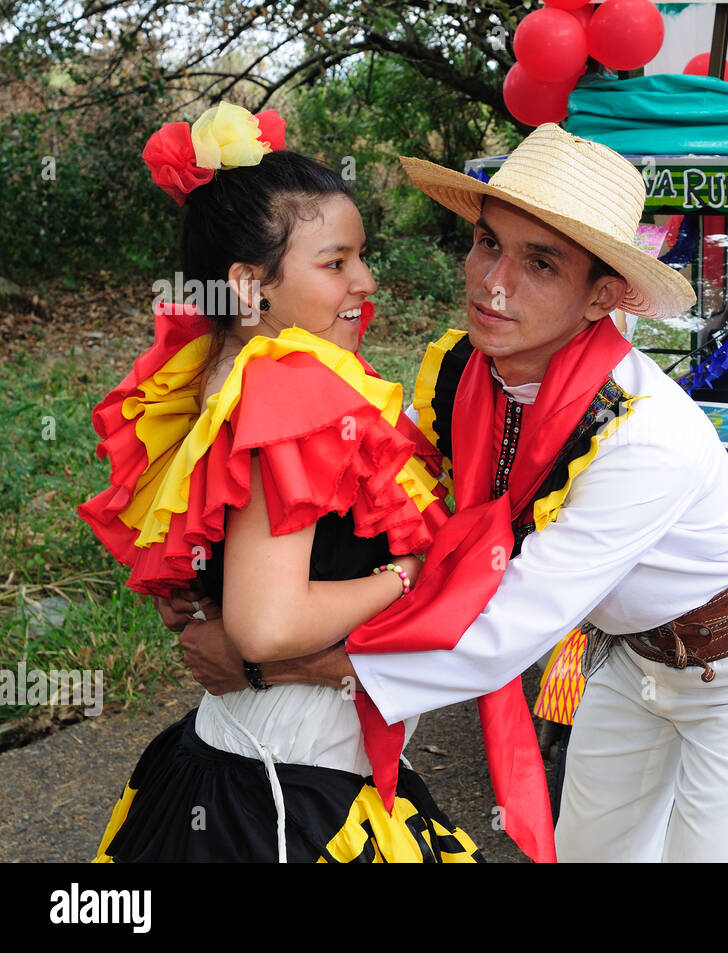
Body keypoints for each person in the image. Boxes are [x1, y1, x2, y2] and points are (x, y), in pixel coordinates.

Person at [178, 123, 728, 862]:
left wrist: (269, 664)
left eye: (540, 262)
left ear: (601, 295)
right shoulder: (460, 377)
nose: (492, 282)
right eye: (488, 243)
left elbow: (495, 638)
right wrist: (209, 576)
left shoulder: (644, 436)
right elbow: (374, 496)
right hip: (627, 657)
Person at [80, 103, 479, 862]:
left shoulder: (213, 373)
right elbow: (264, 625)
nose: (365, 281)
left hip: (260, 770)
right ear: (249, 285)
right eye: (335, 263)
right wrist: (410, 575)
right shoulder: (288, 394)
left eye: (361, 257)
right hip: (284, 799)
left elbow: (205, 593)